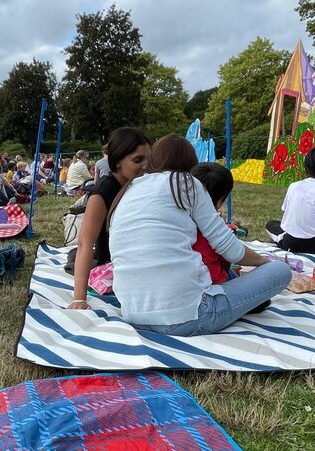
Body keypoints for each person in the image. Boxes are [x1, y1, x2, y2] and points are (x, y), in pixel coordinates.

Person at [107, 135, 291, 335]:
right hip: (189, 317)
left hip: (134, 315)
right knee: (280, 270)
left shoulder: (128, 190)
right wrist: (264, 263)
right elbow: (230, 249)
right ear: (191, 165)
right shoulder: (186, 183)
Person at [69, 128, 151, 309]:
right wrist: (79, 299)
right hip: (113, 266)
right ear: (118, 161)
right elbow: (85, 243)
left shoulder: (143, 184)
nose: (145, 166)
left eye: (148, 159)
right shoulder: (102, 194)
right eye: (138, 160)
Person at [190, 162, 237, 284]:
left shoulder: (176, 219)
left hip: (183, 285)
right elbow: (229, 256)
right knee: (278, 271)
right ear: (220, 200)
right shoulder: (213, 225)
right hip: (214, 286)